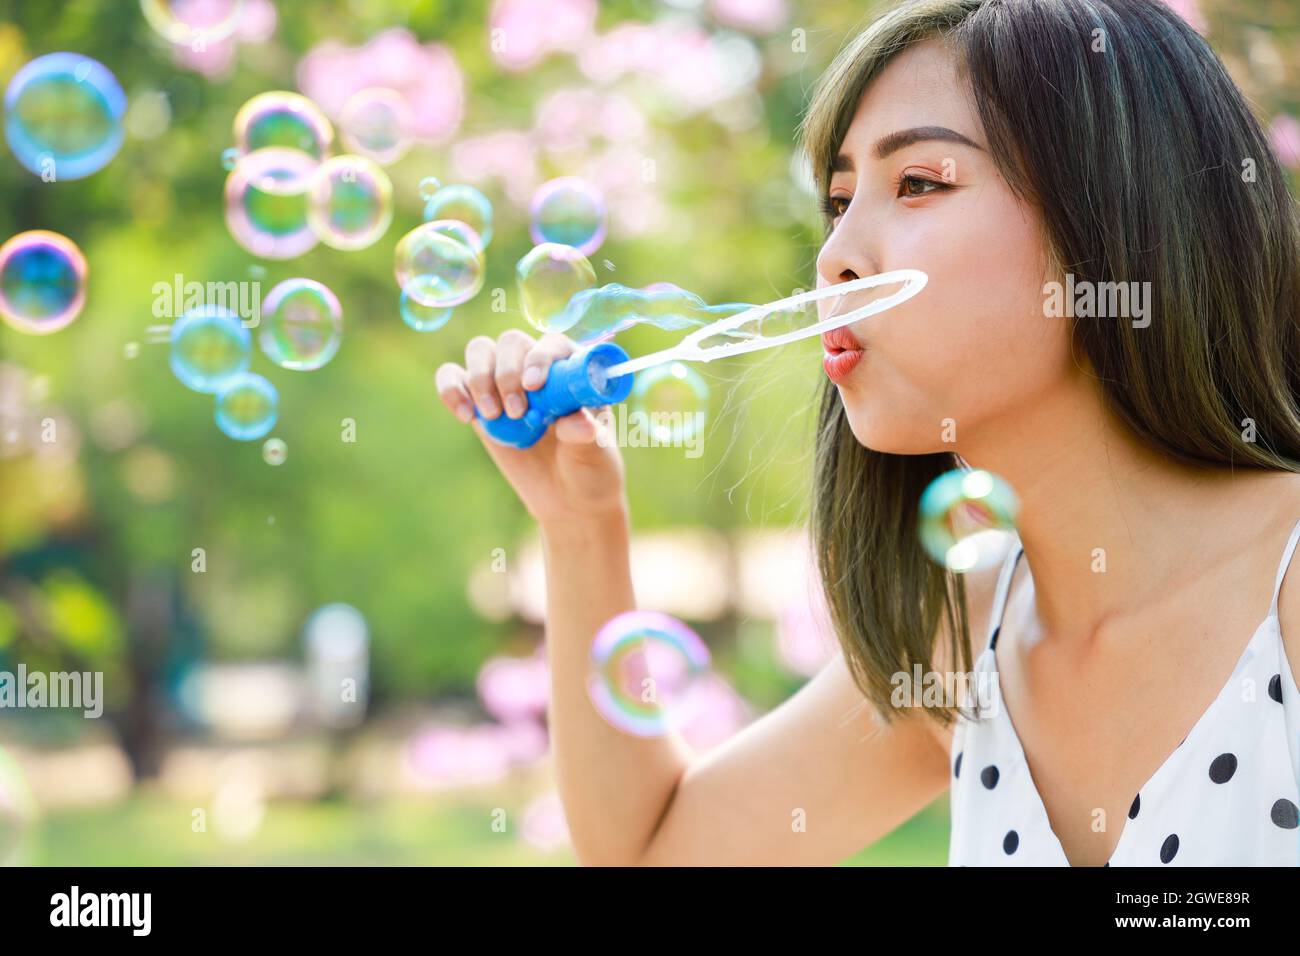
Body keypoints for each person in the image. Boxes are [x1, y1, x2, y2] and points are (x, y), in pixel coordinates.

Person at [435, 0, 1300, 866]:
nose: (835, 254)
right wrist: (581, 525)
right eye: (838, 201)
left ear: (1117, 217)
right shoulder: (964, 641)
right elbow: (650, 853)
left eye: (919, 182)